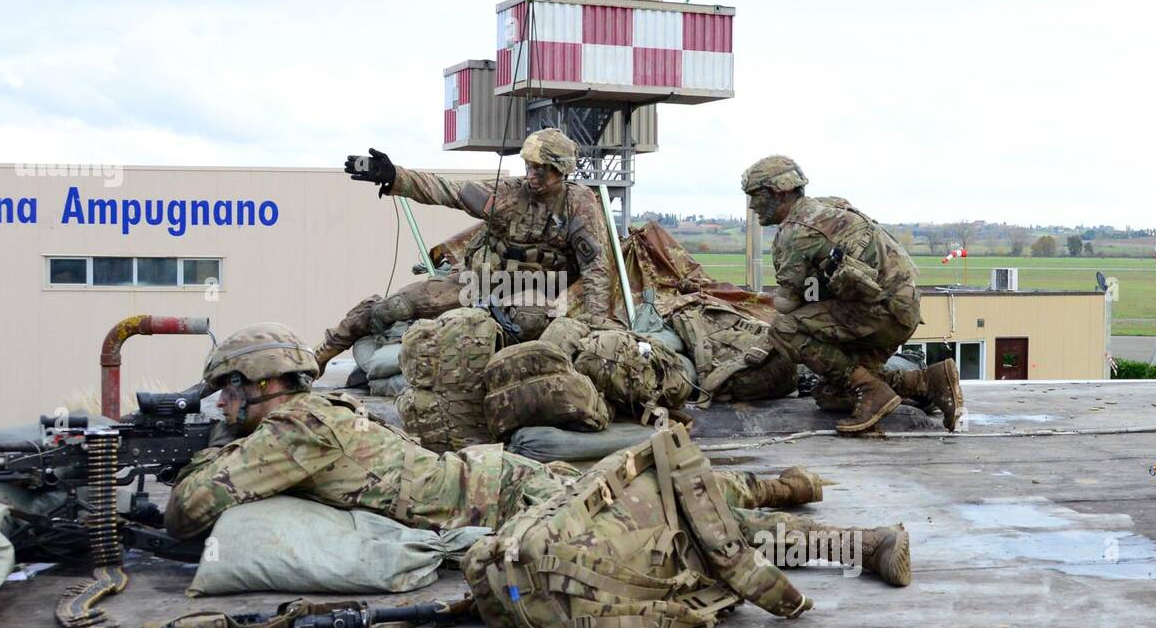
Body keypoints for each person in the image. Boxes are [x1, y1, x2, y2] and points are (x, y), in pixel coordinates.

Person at [167, 324, 912, 592]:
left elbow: (187, 512)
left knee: (670, 538)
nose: (223, 408)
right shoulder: (318, 411)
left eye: (228, 394)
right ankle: (777, 485)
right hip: (494, 481)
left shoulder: (295, 429)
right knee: (655, 495)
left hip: (498, 502)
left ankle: (859, 544)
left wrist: (201, 462)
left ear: (261, 386)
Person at [309, 127, 618, 375]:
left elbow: (596, 269)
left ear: (560, 169)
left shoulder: (579, 204)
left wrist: (593, 330)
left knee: (528, 322)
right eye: (529, 166)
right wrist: (396, 176)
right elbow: (448, 191)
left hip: (538, 293)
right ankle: (323, 354)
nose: (532, 174)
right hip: (477, 283)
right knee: (394, 308)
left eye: (542, 168)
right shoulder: (508, 194)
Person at [741, 155, 963, 433]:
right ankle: (927, 381)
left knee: (784, 329)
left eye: (757, 196)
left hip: (878, 314)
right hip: (901, 309)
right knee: (829, 394)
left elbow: (788, 303)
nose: (752, 205)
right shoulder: (831, 205)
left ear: (780, 192)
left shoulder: (794, 232)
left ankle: (871, 390)